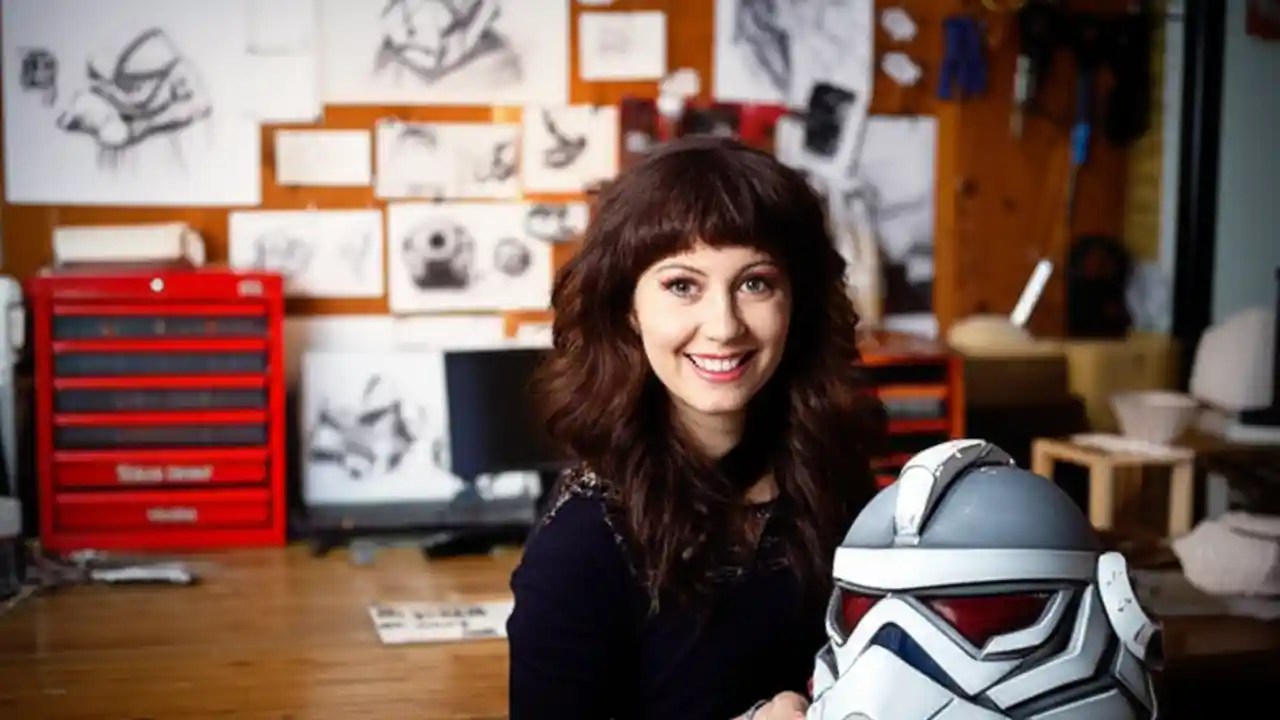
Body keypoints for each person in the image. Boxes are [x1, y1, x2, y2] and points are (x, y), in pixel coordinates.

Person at [506, 135, 888, 719]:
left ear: (796, 301)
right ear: (628, 309)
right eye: (682, 285)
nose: (723, 326)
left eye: (755, 282)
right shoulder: (583, 541)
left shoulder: (835, 482)